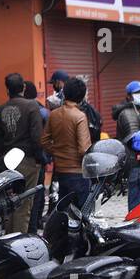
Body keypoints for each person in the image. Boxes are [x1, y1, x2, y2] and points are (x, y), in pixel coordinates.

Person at [0, 72, 44, 233]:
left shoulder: (1, 109)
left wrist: (2, 159)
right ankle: (18, 240)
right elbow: (37, 137)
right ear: (24, 87)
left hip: (7, 162)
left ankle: (8, 239)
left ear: (7, 90)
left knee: (8, 203)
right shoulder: (32, 106)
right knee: (24, 204)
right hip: (27, 161)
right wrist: (39, 159)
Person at [42, 76, 93, 207]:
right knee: (80, 213)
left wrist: (57, 152)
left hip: (60, 171)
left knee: (63, 211)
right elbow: (84, 149)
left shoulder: (54, 114)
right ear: (81, 96)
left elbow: (44, 140)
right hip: (78, 172)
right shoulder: (80, 116)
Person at [112, 81, 140, 209]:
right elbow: (134, 139)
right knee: (139, 199)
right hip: (136, 161)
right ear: (129, 96)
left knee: (139, 196)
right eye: (138, 92)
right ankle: (137, 219)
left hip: (138, 160)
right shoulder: (128, 113)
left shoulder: (134, 110)